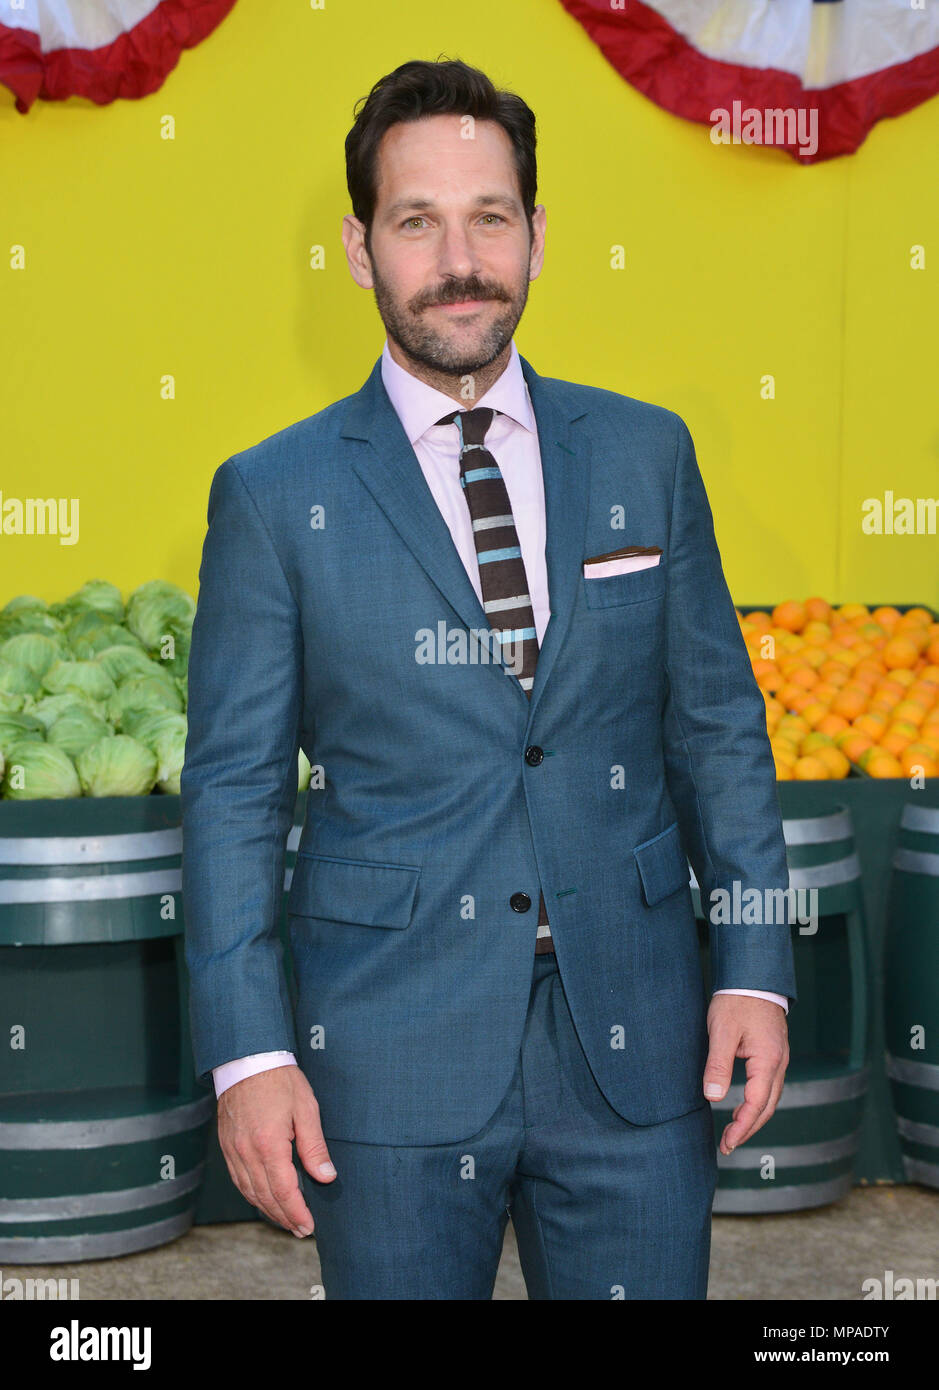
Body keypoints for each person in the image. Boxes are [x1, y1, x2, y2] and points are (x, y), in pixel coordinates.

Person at [180, 57, 796, 1301]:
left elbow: (719, 727)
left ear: (537, 234)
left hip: (637, 1048)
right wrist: (247, 1053)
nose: (458, 258)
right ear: (360, 250)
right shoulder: (272, 495)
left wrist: (752, 966)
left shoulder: (646, 452)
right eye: (418, 221)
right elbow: (234, 793)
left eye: (489, 217)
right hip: (386, 1053)